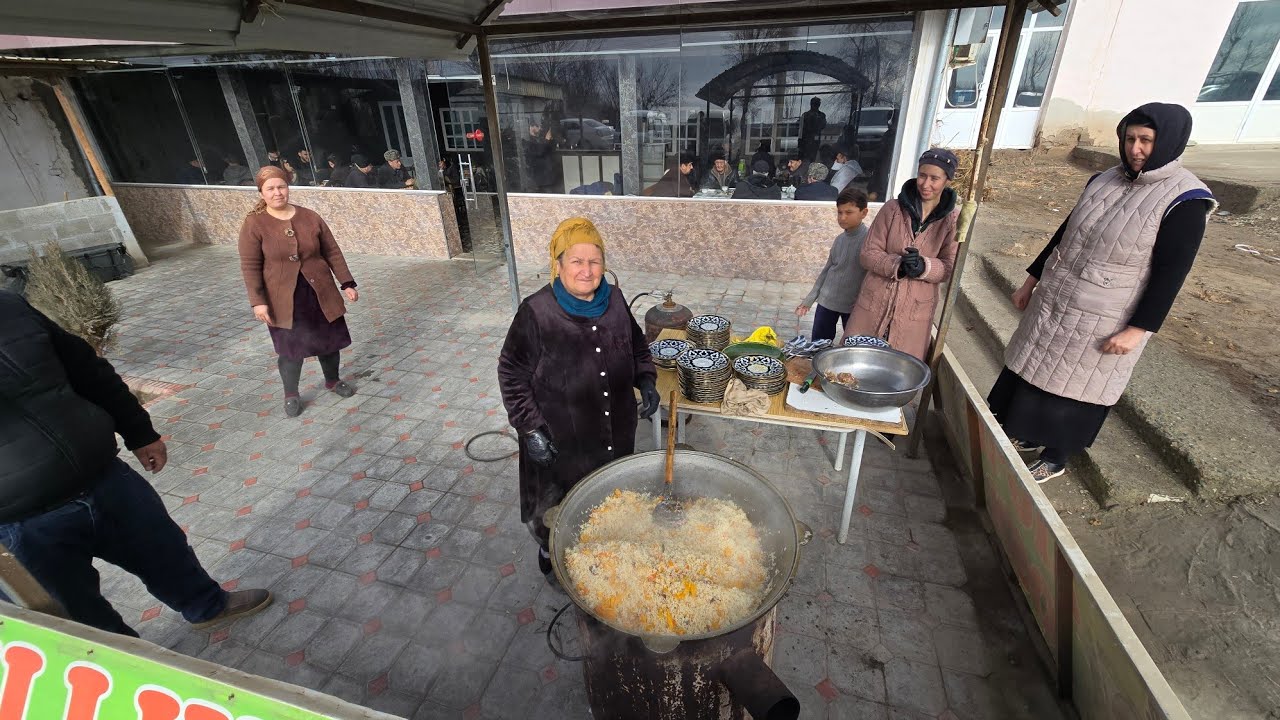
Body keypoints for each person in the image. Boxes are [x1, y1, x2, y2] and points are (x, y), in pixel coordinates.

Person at [0, 291, 272, 636]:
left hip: (106, 477)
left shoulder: (9, 306)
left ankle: (207, 605)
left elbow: (87, 370)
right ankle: (128, 663)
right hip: (19, 525)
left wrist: (139, 431)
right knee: (77, 619)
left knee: (165, 550)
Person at [988, 103, 1216, 484]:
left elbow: (1171, 274)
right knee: (1034, 367)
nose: (1135, 149)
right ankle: (1027, 433)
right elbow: (1066, 234)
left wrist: (1138, 330)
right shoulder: (1104, 180)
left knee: (1076, 384)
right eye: (1130, 139)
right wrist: (1031, 280)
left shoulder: (1186, 200)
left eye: (1146, 141)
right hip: (1060, 297)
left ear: (1168, 143)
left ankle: (1056, 457)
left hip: (1107, 314)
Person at [497, 218, 660, 582]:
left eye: (594, 261)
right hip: (561, 437)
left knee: (608, 495)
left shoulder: (614, 299)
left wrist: (646, 378)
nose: (587, 270)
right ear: (558, 265)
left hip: (614, 427)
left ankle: (604, 549)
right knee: (559, 504)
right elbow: (511, 372)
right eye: (576, 261)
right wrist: (530, 428)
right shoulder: (537, 312)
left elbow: (636, 344)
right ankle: (551, 550)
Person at [238, 165, 359, 417]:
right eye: (270, 188)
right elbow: (250, 265)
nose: (277, 192)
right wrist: (258, 301)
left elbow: (332, 251)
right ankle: (291, 393)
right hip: (282, 299)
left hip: (319, 292)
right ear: (261, 192)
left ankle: (333, 380)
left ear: (288, 187)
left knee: (329, 342)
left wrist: (346, 283)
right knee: (290, 349)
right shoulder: (254, 223)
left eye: (281, 186)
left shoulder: (310, 216)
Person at [845, 148, 960, 361]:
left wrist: (924, 267)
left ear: (947, 180)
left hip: (914, 311)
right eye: (922, 175)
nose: (926, 184)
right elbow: (867, 253)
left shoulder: (952, 220)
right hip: (876, 301)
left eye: (934, 178)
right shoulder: (893, 209)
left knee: (899, 369)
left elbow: (950, 266)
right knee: (856, 364)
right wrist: (897, 264)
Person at [796, 187, 872, 341]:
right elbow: (827, 270)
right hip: (827, 301)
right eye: (839, 212)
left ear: (863, 213)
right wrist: (809, 299)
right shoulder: (840, 240)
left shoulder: (870, 241)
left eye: (849, 212)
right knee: (819, 343)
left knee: (854, 345)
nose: (842, 218)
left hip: (852, 305)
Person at [523, 121, 562, 194]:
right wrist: (547, 139)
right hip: (540, 176)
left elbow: (550, 149)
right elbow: (539, 152)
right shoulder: (528, 141)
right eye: (538, 126)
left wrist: (551, 140)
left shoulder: (539, 138)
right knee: (545, 193)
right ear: (531, 127)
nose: (540, 128)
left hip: (548, 174)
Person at [800, 97, 827, 162]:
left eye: (817, 104)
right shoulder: (805, 115)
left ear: (819, 105)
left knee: (812, 160)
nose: (815, 105)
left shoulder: (821, 115)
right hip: (805, 142)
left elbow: (822, 126)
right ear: (811, 104)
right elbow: (800, 127)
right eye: (814, 103)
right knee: (804, 161)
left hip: (815, 142)